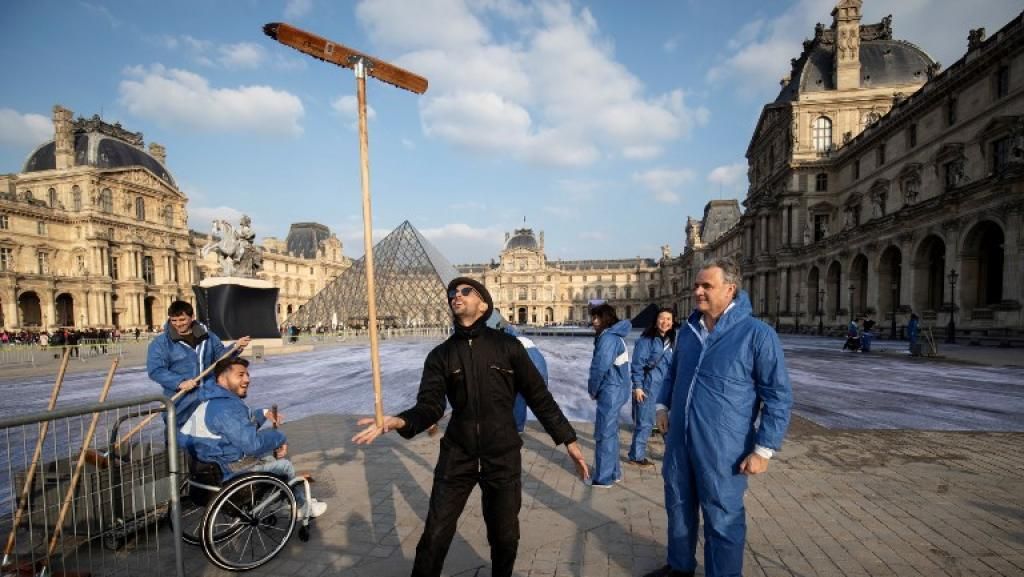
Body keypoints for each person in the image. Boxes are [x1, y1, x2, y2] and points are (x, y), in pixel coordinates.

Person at [352, 277, 588, 577]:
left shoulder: (509, 347)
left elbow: (539, 396)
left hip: (502, 454)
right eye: (453, 292)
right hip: (457, 454)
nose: (456, 295)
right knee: (434, 536)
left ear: (484, 305)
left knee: (505, 537)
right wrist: (402, 420)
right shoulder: (440, 355)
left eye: (466, 291)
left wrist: (568, 439)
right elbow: (431, 406)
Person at [645, 258, 792, 577]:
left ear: (730, 289)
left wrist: (764, 449)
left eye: (706, 286)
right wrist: (662, 407)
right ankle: (679, 567)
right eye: (696, 285)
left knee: (723, 517)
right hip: (679, 439)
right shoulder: (688, 332)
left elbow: (777, 396)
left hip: (725, 445)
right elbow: (672, 373)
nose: (697, 291)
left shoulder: (757, 334)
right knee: (678, 505)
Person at [180, 357, 326, 518]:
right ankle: (301, 507)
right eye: (240, 375)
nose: (247, 379)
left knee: (268, 459)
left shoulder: (210, 403)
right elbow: (252, 444)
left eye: (247, 375)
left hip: (206, 475)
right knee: (284, 466)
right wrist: (280, 437)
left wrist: (263, 414)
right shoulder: (225, 408)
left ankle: (280, 500)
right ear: (222, 378)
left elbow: (236, 429)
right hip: (228, 476)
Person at [146, 300, 250, 428]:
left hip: (208, 394)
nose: (178, 324)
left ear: (192, 317)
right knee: (179, 434)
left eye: (182, 320)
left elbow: (220, 358)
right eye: (174, 320)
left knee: (210, 431)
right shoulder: (161, 343)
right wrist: (179, 382)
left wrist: (235, 347)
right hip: (181, 400)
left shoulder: (208, 337)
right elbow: (156, 370)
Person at [587, 303, 632, 487]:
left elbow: (600, 367)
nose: (594, 321)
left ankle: (603, 478)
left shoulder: (608, 338)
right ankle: (613, 472)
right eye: (593, 317)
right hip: (618, 387)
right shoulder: (615, 335)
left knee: (604, 433)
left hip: (611, 389)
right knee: (611, 432)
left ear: (607, 318)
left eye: (597, 317)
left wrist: (593, 389)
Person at [628, 307, 675, 468]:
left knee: (668, 422)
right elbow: (637, 365)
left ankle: (672, 454)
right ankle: (636, 456)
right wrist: (638, 387)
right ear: (655, 321)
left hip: (666, 389)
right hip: (648, 387)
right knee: (645, 423)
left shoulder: (672, 341)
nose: (665, 322)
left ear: (672, 322)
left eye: (668, 319)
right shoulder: (645, 340)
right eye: (662, 318)